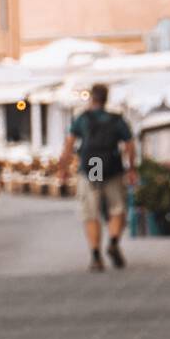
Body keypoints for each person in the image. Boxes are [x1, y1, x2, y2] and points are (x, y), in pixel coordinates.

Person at [58, 83, 137, 272]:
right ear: (106, 98)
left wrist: (63, 168)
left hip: (93, 163)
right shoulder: (116, 119)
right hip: (112, 164)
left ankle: (95, 255)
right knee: (117, 207)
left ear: (92, 98)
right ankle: (114, 241)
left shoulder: (83, 119)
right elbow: (129, 145)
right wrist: (132, 168)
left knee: (91, 210)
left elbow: (69, 144)